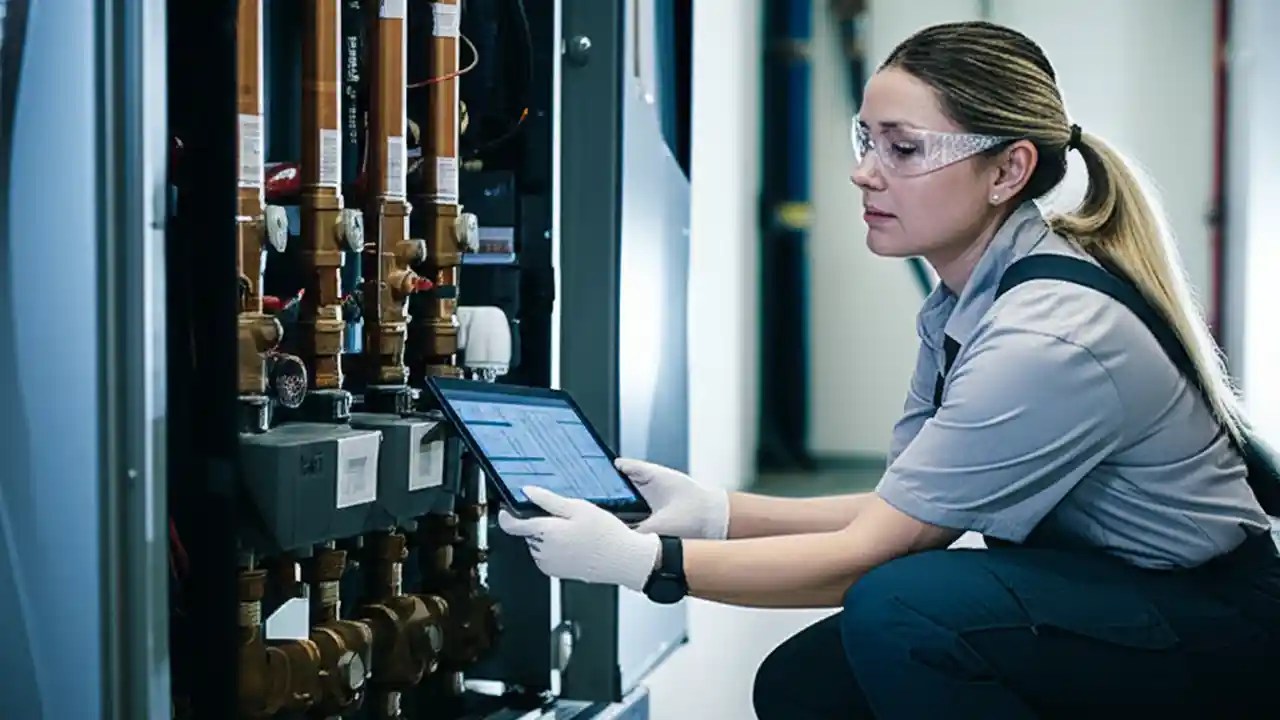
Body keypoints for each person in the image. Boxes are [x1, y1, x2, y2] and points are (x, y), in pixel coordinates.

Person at [499, 20, 1280, 718]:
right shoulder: (968, 298)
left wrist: (644, 563)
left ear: (1007, 171)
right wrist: (714, 513)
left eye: (903, 149)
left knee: (902, 608)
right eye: (865, 140)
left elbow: (883, 551)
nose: (865, 172)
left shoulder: (1046, 337)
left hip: (1216, 627)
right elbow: (903, 509)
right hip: (1124, 590)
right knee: (805, 684)